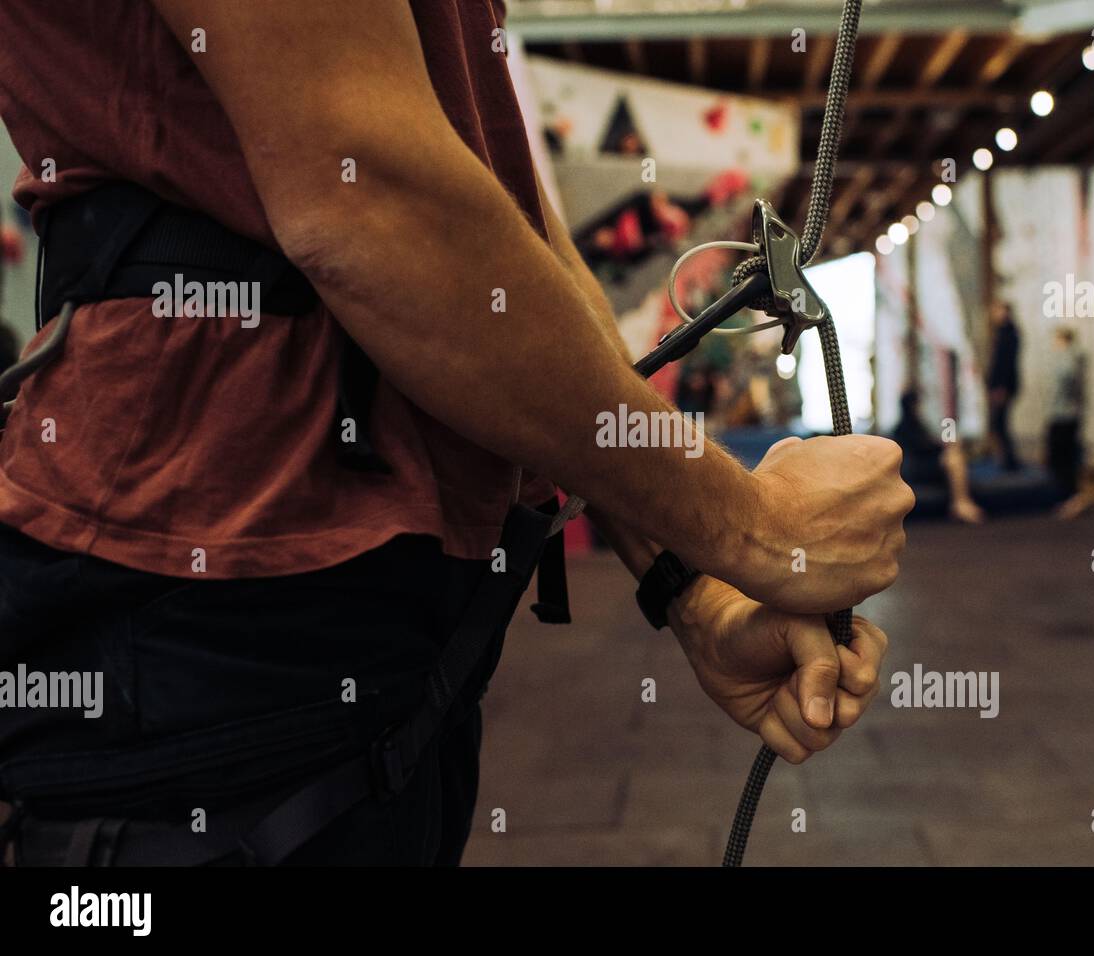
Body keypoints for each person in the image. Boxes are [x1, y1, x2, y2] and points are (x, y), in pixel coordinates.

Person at [0, 0, 912, 866]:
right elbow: (368, 197)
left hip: (397, 635)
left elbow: (518, 250)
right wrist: (756, 526)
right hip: (203, 577)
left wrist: (694, 584)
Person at [891, 391, 984, 525]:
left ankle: (961, 501)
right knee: (952, 458)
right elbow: (922, 448)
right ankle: (961, 502)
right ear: (912, 405)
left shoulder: (917, 423)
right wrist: (944, 445)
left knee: (953, 455)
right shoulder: (904, 427)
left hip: (925, 464)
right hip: (917, 469)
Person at [1046, 326, 1090, 520]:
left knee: (1062, 459)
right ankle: (1068, 497)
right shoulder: (1074, 358)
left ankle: (1072, 497)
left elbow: (1067, 382)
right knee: (1062, 458)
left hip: (1064, 415)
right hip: (1067, 414)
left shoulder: (1068, 359)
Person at [986, 300, 1021, 471]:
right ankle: (1006, 460)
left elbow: (1005, 364)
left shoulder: (1009, 334)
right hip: (1001, 385)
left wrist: (1001, 387)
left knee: (1000, 423)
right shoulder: (1005, 332)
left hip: (1003, 386)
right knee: (999, 423)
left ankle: (1008, 461)